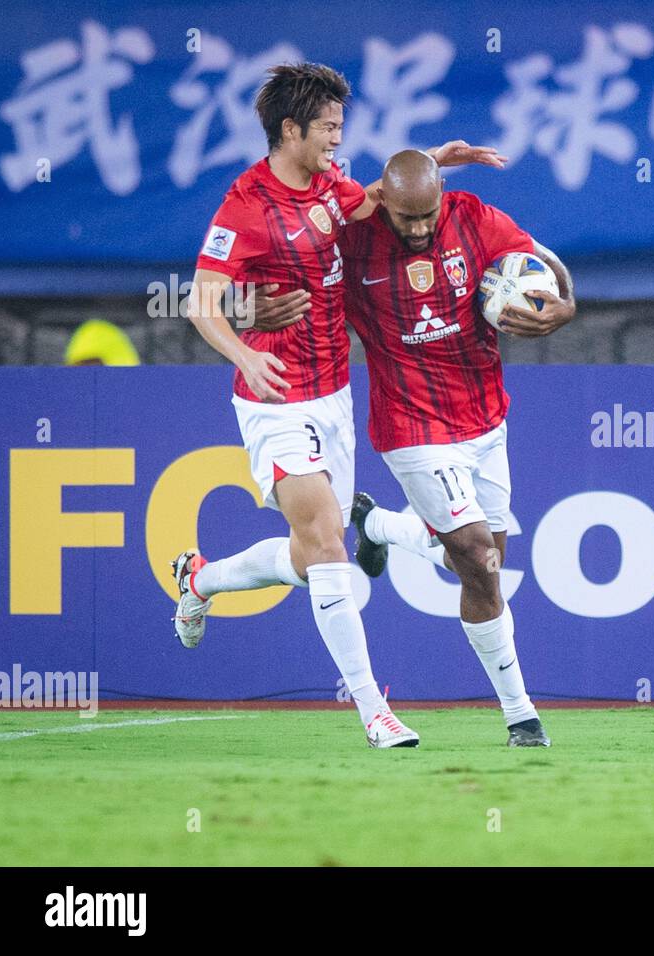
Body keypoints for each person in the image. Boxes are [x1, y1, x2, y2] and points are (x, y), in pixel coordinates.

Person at [177, 61, 502, 749]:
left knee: (308, 559)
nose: (335, 138)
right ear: (289, 129)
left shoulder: (329, 184)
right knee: (330, 545)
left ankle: (201, 578)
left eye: (339, 128)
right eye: (327, 127)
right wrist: (244, 349)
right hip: (273, 399)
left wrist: (437, 160)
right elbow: (200, 301)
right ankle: (373, 711)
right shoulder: (244, 207)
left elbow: (373, 199)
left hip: (334, 397)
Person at [260, 149, 575, 747]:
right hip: (412, 425)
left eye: (428, 214)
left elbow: (545, 264)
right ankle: (521, 714)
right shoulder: (354, 239)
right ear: (383, 203)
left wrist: (565, 306)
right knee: (479, 560)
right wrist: (239, 304)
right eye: (406, 218)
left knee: (485, 567)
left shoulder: (473, 217)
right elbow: (293, 225)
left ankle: (377, 526)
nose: (421, 227)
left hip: (486, 421)